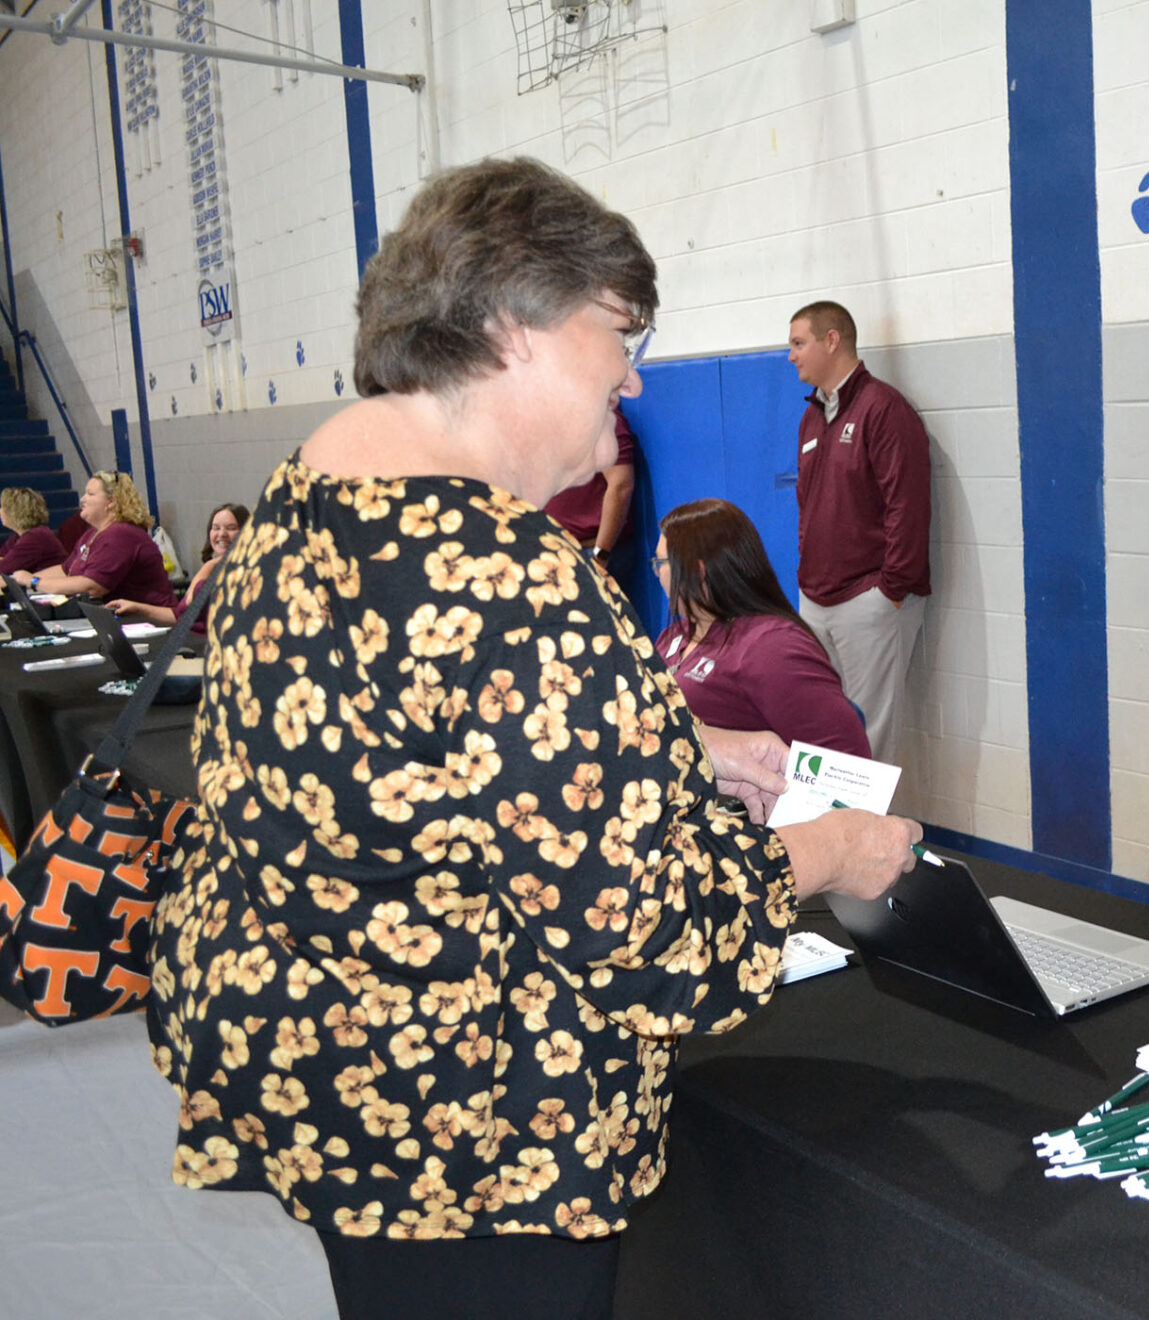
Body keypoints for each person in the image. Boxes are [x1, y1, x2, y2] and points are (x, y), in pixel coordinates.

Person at [145, 157, 919, 1320]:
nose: (633, 377)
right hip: (474, 1127)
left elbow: (411, 739)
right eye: (619, 334)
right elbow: (652, 936)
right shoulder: (513, 578)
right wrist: (835, 853)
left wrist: (689, 746)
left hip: (326, 1063)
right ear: (514, 325)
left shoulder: (311, 492)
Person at [788, 300, 930, 764]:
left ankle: (872, 835)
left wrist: (890, 590)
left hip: (869, 601)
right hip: (817, 599)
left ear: (832, 341)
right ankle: (835, 834)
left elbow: (906, 507)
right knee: (824, 727)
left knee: (870, 735)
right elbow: (809, 506)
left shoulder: (884, 409)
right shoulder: (811, 416)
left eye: (798, 343)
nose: (791, 355)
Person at [653, 497, 870, 757]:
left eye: (660, 563)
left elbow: (845, 755)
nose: (657, 574)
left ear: (697, 570)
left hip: (743, 796)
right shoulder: (673, 636)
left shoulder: (771, 648)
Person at [8, 469, 175, 608]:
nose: (83, 499)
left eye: (90, 494)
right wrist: (21, 580)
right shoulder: (92, 534)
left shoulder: (121, 535)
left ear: (111, 502)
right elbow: (67, 570)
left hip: (147, 622)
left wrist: (34, 581)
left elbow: (92, 586)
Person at [106, 501, 248, 630]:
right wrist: (135, 607)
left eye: (231, 528)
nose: (221, 534)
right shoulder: (213, 567)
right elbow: (180, 614)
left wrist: (210, 566)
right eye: (216, 528)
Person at [542, 400, 637, 573]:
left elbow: (621, 487)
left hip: (590, 553)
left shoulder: (601, 420)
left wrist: (600, 555)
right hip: (550, 552)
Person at [0, 486, 67, 576]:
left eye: (2, 507)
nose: (1, 511)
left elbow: (4, 567)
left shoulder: (36, 538)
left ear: (13, 512)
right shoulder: (21, 535)